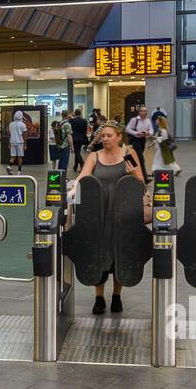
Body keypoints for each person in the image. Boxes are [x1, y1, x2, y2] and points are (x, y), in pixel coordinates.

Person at [76, 122, 149, 315]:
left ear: (118, 136)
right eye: (103, 136)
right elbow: (83, 177)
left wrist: (133, 173)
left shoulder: (127, 154)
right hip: (99, 212)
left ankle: (116, 295)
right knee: (99, 251)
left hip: (123, 212)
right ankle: (99, 297)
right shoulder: (94, 156)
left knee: (120, 252)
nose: (105, 139)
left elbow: (141, 179)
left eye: (109, 135)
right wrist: (69, 190)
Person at [125, 105, 152, 180]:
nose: (144, 112)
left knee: (134, 158)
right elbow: (127, 129)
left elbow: (151, 130)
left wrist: (148, 133)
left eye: (145, 111)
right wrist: (136, 133)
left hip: (143, 141)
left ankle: (133, 174)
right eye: (142, 111)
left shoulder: (148, 121)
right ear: (139, 112)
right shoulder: (134, 120)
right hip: (135, 141)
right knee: (141, 159)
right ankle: (144, 178)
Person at [7, 109, 28, 174]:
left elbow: (9, 134)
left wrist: (9, 143)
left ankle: (9, 166)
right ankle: (19, 171)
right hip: (20, 142)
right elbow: (25, 135)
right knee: (20, 157)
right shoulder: (23, 124)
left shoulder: (11, 124)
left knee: (13, 156)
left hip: (12, 141)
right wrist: (25, 144)